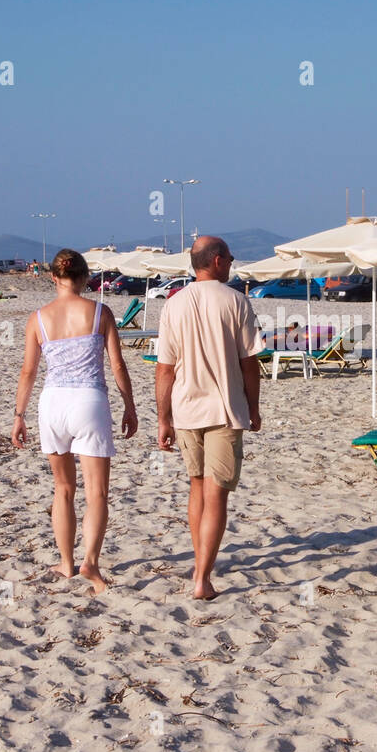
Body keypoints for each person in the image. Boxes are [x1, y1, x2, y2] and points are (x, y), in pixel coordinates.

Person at [12, 249, 137, 591]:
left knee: (63, 489)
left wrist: (18, 416)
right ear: (85, 278)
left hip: (52, 403)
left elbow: (28, 371)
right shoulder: (100, 313)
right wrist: (130, 405)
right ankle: (90, 564)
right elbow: (117, 366)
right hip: (89, 401)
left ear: (53, 277)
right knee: (96, 491)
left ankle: (66, 562)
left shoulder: (37, 319)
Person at [155, 236, 262, 600]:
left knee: (197, 486)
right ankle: (202, 577)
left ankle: (200, 562)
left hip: (186, 409)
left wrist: (163, 418)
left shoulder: (174, 303)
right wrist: (254, 406)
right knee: (216, 494)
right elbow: (250, 363)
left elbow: (164, 370)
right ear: (216, 261)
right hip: (225, 409)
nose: (232, 262)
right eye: (230, 257)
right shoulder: (236, 301)